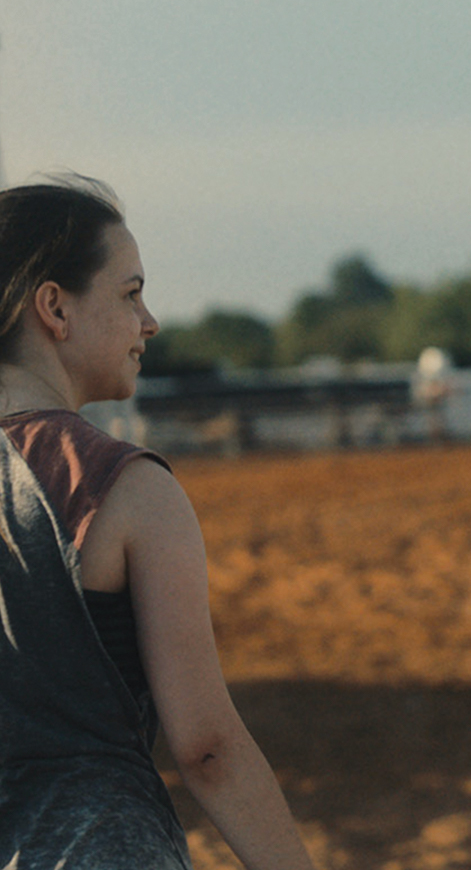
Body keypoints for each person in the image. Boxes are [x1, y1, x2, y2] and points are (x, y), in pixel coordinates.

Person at [0, 176, 316, 870]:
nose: (150, 322)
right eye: (129, 292)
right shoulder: (127, 486)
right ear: (53, 306)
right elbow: (207, 748)